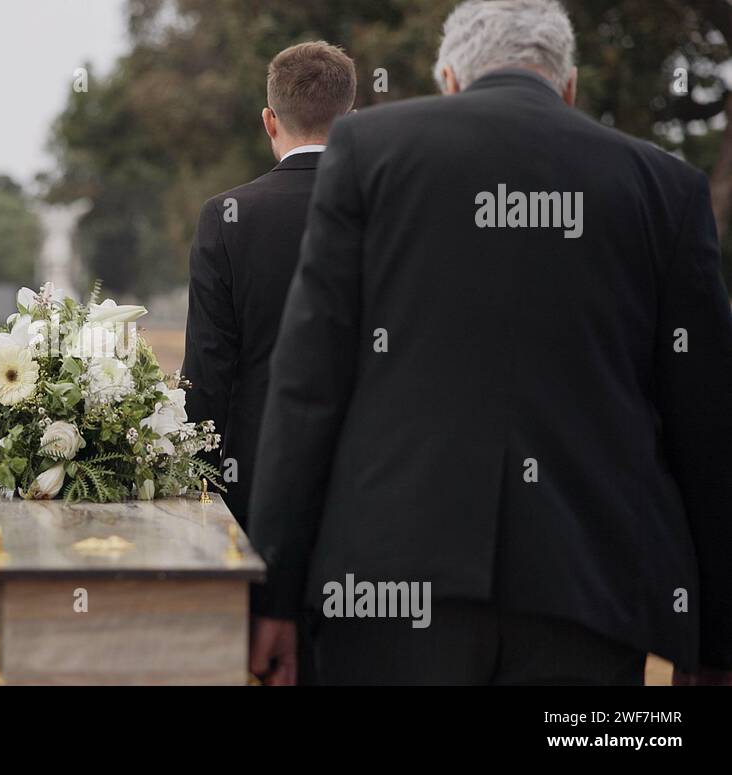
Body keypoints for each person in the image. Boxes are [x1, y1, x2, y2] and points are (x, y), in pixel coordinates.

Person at [248, 0, 732, 685]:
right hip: (587, 600)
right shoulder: (667, 189)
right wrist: (715, 639)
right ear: (568, 86)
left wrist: (276, 596)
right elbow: (707, 428)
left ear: (449, 77)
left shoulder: (365, 153)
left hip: (389, 591)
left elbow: (307, 387)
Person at [182, 41, 356, 529]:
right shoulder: (390, 210)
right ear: (351, 118)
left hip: (257, 475)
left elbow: (208, 364)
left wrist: (196, 476)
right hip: (371, 477)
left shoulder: (226, 217)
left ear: (269, 120)